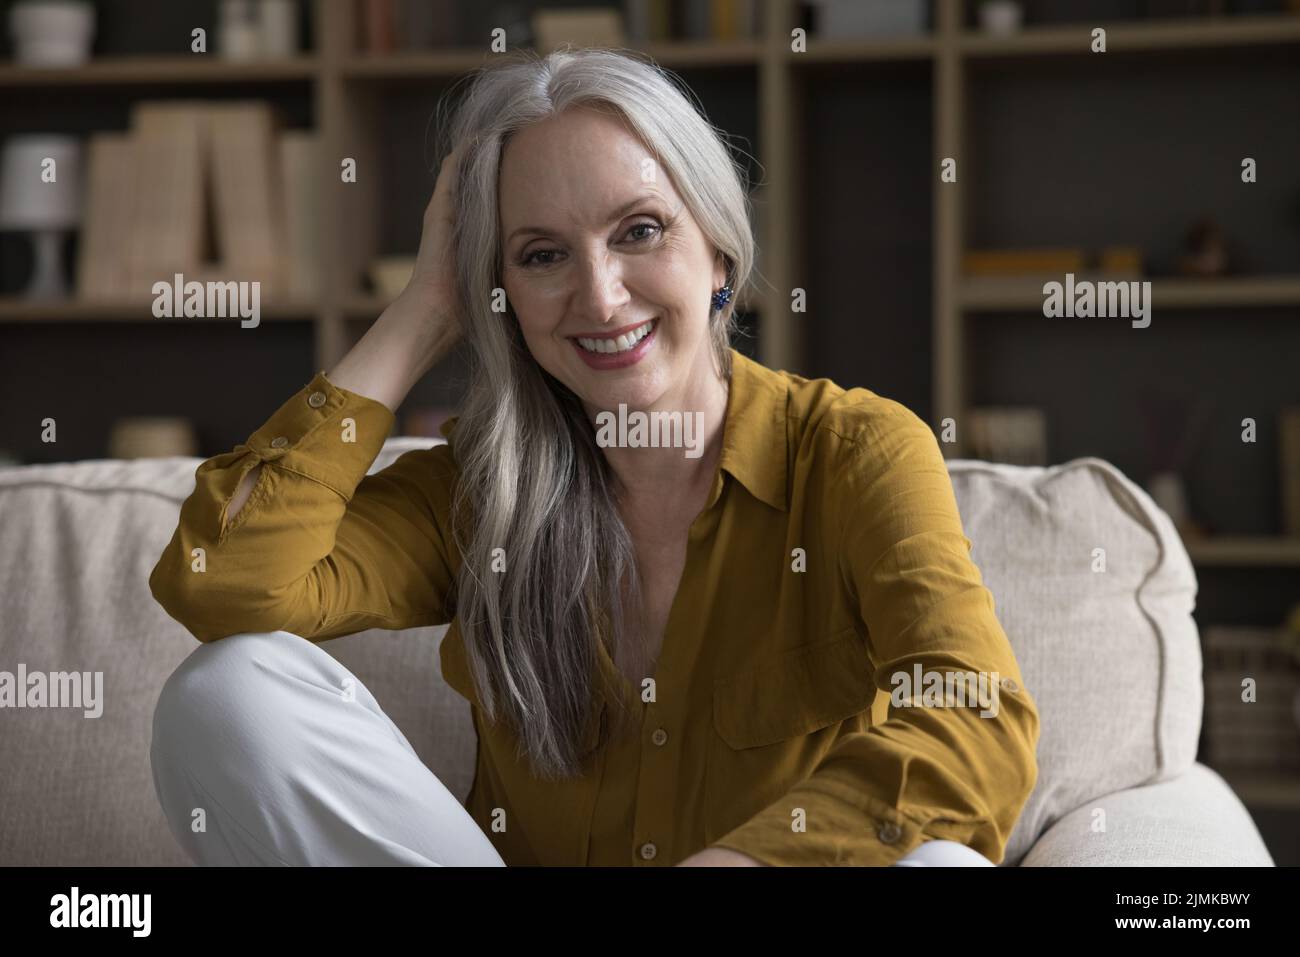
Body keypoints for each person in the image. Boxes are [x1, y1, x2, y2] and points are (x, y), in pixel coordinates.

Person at [148, 47, 1039, 867]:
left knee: (942, 866)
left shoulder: (853, 453)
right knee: (227, 691)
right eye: (542, 255)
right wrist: (421, 311)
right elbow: (222, 579)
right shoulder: (476, 488)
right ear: (500, 293)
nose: (602, 297)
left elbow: (978, 712)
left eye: (640, 230)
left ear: (718, 250)